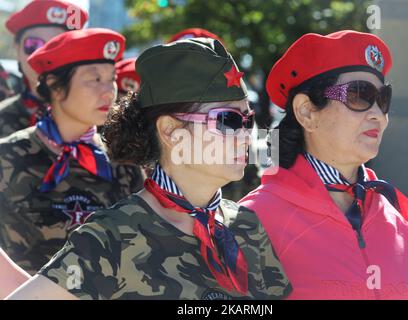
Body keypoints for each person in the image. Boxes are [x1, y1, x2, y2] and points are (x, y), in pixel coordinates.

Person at [6, 38, 291, 300]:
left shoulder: (249, 225)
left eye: (247, 120)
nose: (245, 135)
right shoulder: (111, 236)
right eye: (228, 120)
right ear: (169, 130)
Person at [239, 30, 408, 300]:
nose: (378, 116)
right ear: (306, 112)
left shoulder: (401, 217)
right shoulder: (252, 223)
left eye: (383, 100)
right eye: (359, 95)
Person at [0, 28, 143, 275]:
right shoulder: (7, 157)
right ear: (55, 86)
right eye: (95, 79)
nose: (109, 91)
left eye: (111, 79)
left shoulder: (125, 165)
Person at [0, 0, 88, 138]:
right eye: (33, 45)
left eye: (57, 46)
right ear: (16, 48)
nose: (43, 56)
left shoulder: (95, 118)